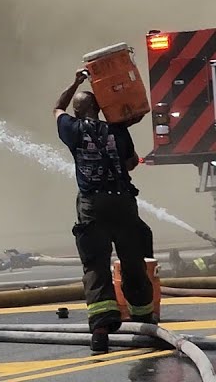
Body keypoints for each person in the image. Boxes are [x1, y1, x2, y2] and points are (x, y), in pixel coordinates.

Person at [54, 70, 154, 354]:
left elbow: (57, 107)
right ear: (98, 109)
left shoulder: (71, 129)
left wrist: (75, 81)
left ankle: (100, 331)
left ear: (77, 110)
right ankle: (144, 319)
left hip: (92, 205)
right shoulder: (117, 130)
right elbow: (132, 163)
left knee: (96, 266)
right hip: (123, 202)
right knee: (133, 261)